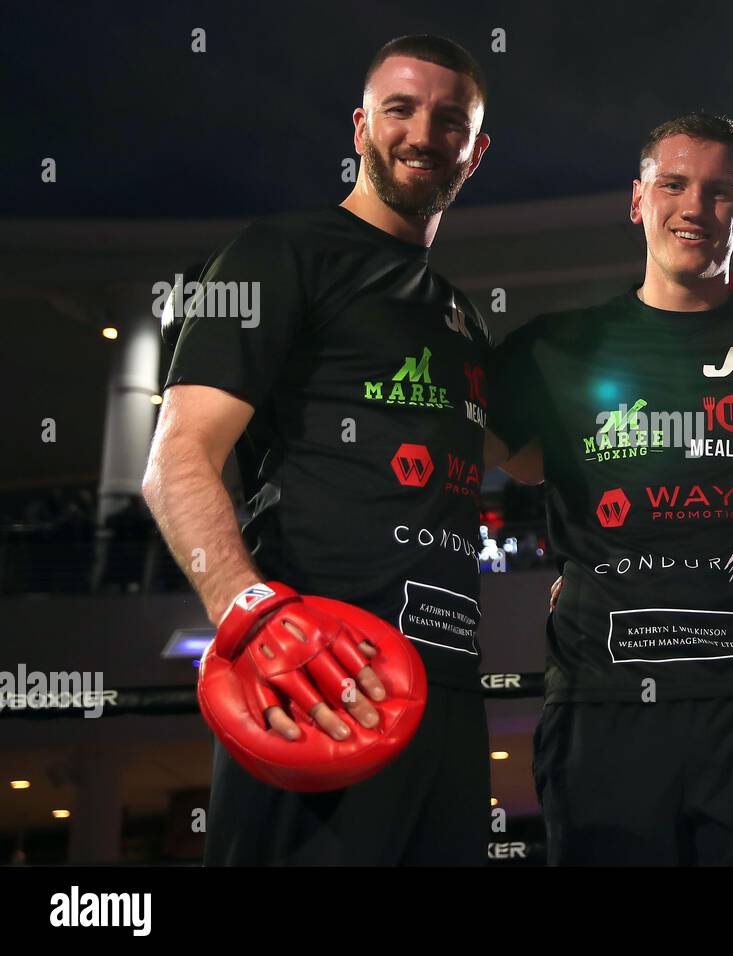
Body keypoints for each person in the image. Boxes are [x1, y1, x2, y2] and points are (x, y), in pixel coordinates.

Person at [143, 34, 501, 865]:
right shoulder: (280, 253)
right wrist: (248, 615)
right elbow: (178, 456)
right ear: (359, 126)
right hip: (310, 678)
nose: (422, 133)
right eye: (400, 109)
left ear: (475, 153)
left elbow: (540, 457)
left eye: (450, 119)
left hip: (442, 684)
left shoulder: (462, 316)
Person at [490, 113, 733, 865]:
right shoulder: (552, 348)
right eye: (673, 184)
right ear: (638, 200)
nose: (695, 207)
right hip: (602, 716)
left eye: (720, 191)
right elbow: (470, 450)